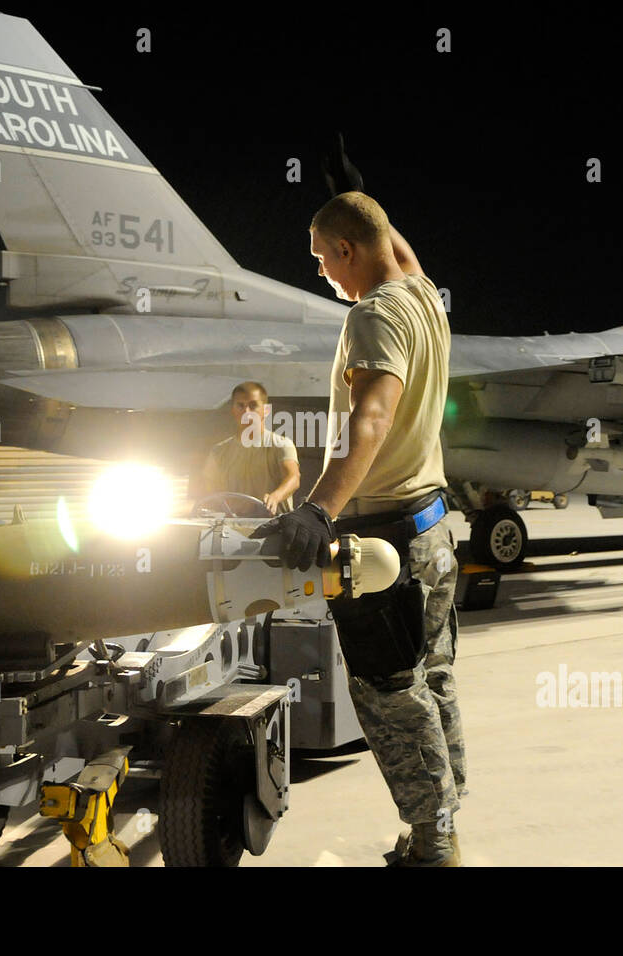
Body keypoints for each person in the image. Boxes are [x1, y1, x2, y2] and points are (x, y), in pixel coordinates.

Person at [253, 191, 466, 866]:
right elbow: (392, 248)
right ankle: (445, 814)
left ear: (347, 249)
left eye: (323, 260)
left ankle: (434, 842)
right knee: (431, 678)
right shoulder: (422, 296)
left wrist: (319, 507)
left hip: (384, 545)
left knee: (388, 692)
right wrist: (361, 193)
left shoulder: (376, 316)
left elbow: (371, 416)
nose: (323, 275)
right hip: (432, 531)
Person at [198, 381, 300, 515]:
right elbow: (208, 488)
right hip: (231, 529)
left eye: (253, 406)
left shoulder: (281, 444)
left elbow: (293, 477)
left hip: (273, 526)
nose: (246, 412)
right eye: (240, 405)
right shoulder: (219, 451)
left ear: (266, 410)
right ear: (233, 410)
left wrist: (275, 497)